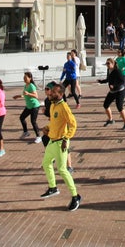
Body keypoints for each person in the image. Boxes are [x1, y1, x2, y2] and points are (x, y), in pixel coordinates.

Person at [40, 82, 81, 211]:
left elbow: (73, 124)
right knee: (46, 163)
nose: (50, 93)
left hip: (60, 142)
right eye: (51, 91)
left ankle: (75, 196)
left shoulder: (64, 107)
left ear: (61, 94)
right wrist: (47, 128)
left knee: (62, 170)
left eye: (53, 92)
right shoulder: (53, 106)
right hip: (52, 141)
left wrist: (66, 138)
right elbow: (54, 122)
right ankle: (53, 187)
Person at [98, 57, 125, 129]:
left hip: (120, 91)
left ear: (113, 64)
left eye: (108, 63)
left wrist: (114, 85)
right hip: (112, 91)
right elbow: (108, 79)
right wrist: (101, 81)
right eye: (106, 64)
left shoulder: (117, 71)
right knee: (106, 105)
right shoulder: (109, 70)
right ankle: (110, 120)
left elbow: (122, 81)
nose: (107, 65)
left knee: (119, 107)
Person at [14, 71, 43, 143]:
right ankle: (26, 132)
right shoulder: (25, 86)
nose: (24, 79)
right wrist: (19, 96)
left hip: (34, 106)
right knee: (22, 118)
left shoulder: (31, 85)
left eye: (26, 77)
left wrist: (28, 93)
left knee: (33, 121)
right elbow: (25, 94)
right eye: (24, 77)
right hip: (29, 106)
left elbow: (36, 96)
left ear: (30, 78)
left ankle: (38, 137)